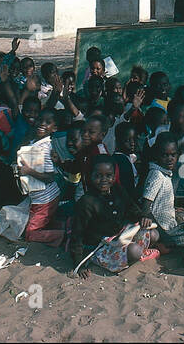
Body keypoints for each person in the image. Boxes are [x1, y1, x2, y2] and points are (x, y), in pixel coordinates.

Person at [71, 155, 159, 277]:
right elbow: (77, 234)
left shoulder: (117, 190)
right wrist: (79, 264)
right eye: (98, 175)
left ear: (114, 176)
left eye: (108, 175)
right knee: (134, 251)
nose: (104, 180)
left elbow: (131, 208)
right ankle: (135, 254)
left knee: (154, 234)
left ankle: (135, 251)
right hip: (101, 247)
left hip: (120, 236)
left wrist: (142, 217)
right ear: (90, 176)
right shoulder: (86, 202)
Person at [16, 109, 65, 247]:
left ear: (54, 128)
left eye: (48, 123)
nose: (42, 124)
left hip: (45, 199)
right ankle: (62, 227)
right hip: (40, 198)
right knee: (44, 220)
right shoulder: (35, 142)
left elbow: (50, 177)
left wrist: (28, 171)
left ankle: (62, 235)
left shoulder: (45, 148)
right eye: (40, 120)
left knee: (30, 234)